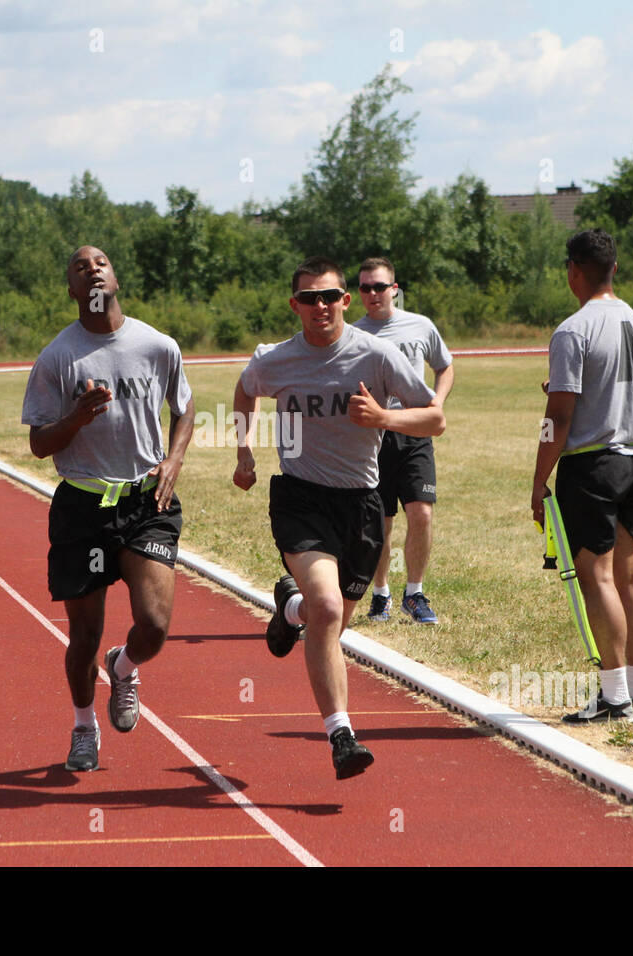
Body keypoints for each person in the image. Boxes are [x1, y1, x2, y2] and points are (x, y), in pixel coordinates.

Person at [233, 256, 445, 778]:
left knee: (327, 622)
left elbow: (435, 418)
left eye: (330, 296)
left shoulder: (377, 355)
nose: (321, 306)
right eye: (310, 298)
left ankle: (291, 610)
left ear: (346, 301)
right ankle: (342, 737)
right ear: (295, 305)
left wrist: (384, 417)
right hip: (300, 499)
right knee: (328, 610)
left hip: (362, 506)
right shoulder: (275, 359)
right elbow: (245, 389)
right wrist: (244, 449)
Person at [22, 246, 195, 772]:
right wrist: (75, 418)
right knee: (84, 637)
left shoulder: (157, 346)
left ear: (115, 278)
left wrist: (174, 459)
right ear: (72, 290)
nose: (92, 269)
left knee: (155, 626)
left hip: (146, 502)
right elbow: (39, 443)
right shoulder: (58, 357)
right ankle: (83, 726)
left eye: (100, 262)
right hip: (84, 506)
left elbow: (184, 406)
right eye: (80, 267)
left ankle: (124, 667)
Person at [530, 229, 633, 724]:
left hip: (592, 465)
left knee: (596, 577)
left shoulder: (572, 330)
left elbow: (559, 417)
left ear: (573, 271)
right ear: (614, 269)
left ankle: (613, 696)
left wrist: (538, 479)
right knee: (630, 577)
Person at [353, 257, 454, 624]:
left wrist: (437, 402)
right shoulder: (354, 334)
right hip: (373, 437)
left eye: (379, 286)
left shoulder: (420, 326)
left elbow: (445, 365)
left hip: (414, 432)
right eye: (365, 288)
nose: (372, 293)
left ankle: (415, 594)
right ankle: (381, 595)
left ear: (394, 289)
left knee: (422, 512)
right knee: (380, 522)